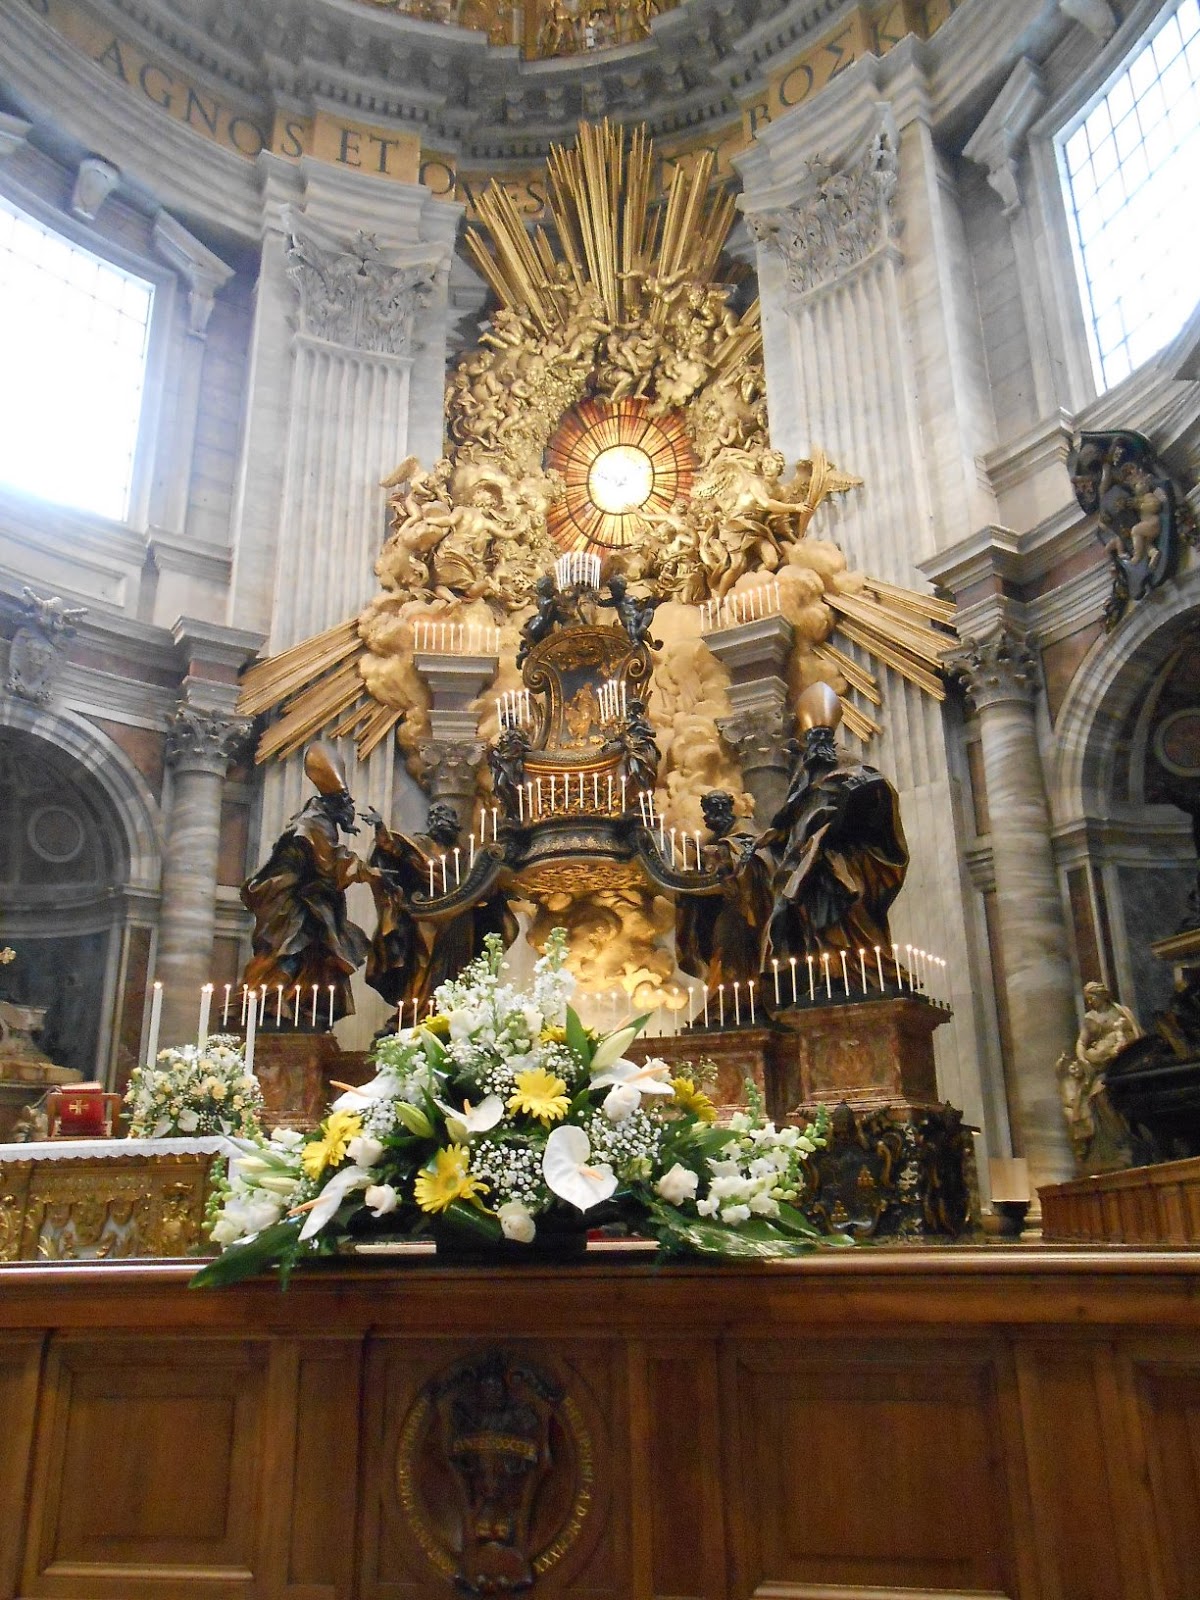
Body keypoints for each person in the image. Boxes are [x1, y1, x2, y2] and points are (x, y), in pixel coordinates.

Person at [763, 683, 908, 984]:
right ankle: (828, 975)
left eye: (823, 736)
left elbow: (878, 797)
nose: (818, 742)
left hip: (847, 861)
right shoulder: (803, 777)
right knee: (814, 924)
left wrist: (847, 805)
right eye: (812, 737)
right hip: (810, 865)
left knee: (851, 914)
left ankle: (864, 970)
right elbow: (789, 821)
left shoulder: (852, 767)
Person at [240, 744, 373, 1027]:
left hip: (307, 901)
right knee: (288, 952)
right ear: (337, 801)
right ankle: (262, 999)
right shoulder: (313, 823)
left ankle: (294, 1005)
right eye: (347, 802)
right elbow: (329, 864)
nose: (351, 810)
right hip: (289, 903)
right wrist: (367, 871)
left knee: (314, 956)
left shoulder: (320, 820)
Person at [365, 801, 517, 1015]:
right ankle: (418, 1013)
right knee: (423, 964)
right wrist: (380, 828)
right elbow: (394, 848)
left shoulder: (463, 854)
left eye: (447, 816)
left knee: (460, 967)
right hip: (426, 915)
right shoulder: (421, 843)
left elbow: (481, 884)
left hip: (461, 919)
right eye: (438, 815)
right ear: (431, 822)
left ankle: (455, 1013)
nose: (443, 819)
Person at [676, 790, 772, 1000]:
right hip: (723, 908)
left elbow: (752, 862)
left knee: (730, 950)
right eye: (710, 808)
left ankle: (738, 1002)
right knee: (718, 951)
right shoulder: (714, 838)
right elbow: (709, 874)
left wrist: (715, 854)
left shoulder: (743, 829)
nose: (715, 812)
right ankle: (723, 1002)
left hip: (743, 911)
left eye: (720, 806)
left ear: (729, 806)